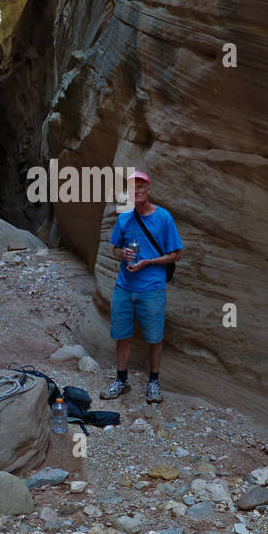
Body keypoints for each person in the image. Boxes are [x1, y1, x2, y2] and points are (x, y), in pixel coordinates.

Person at [101, 168, 182, 404]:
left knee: (155, 338)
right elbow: (114, 248)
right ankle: (121, 380)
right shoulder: (124, 218)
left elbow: (176, 254)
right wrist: (122, 254)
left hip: (152, 288)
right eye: (132, 187)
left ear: (148, 189)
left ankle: (154, 382)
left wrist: (150, 262)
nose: (136, 191)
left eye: (141, 186)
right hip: (124, 287)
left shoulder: (164, 218)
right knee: (122, 335)